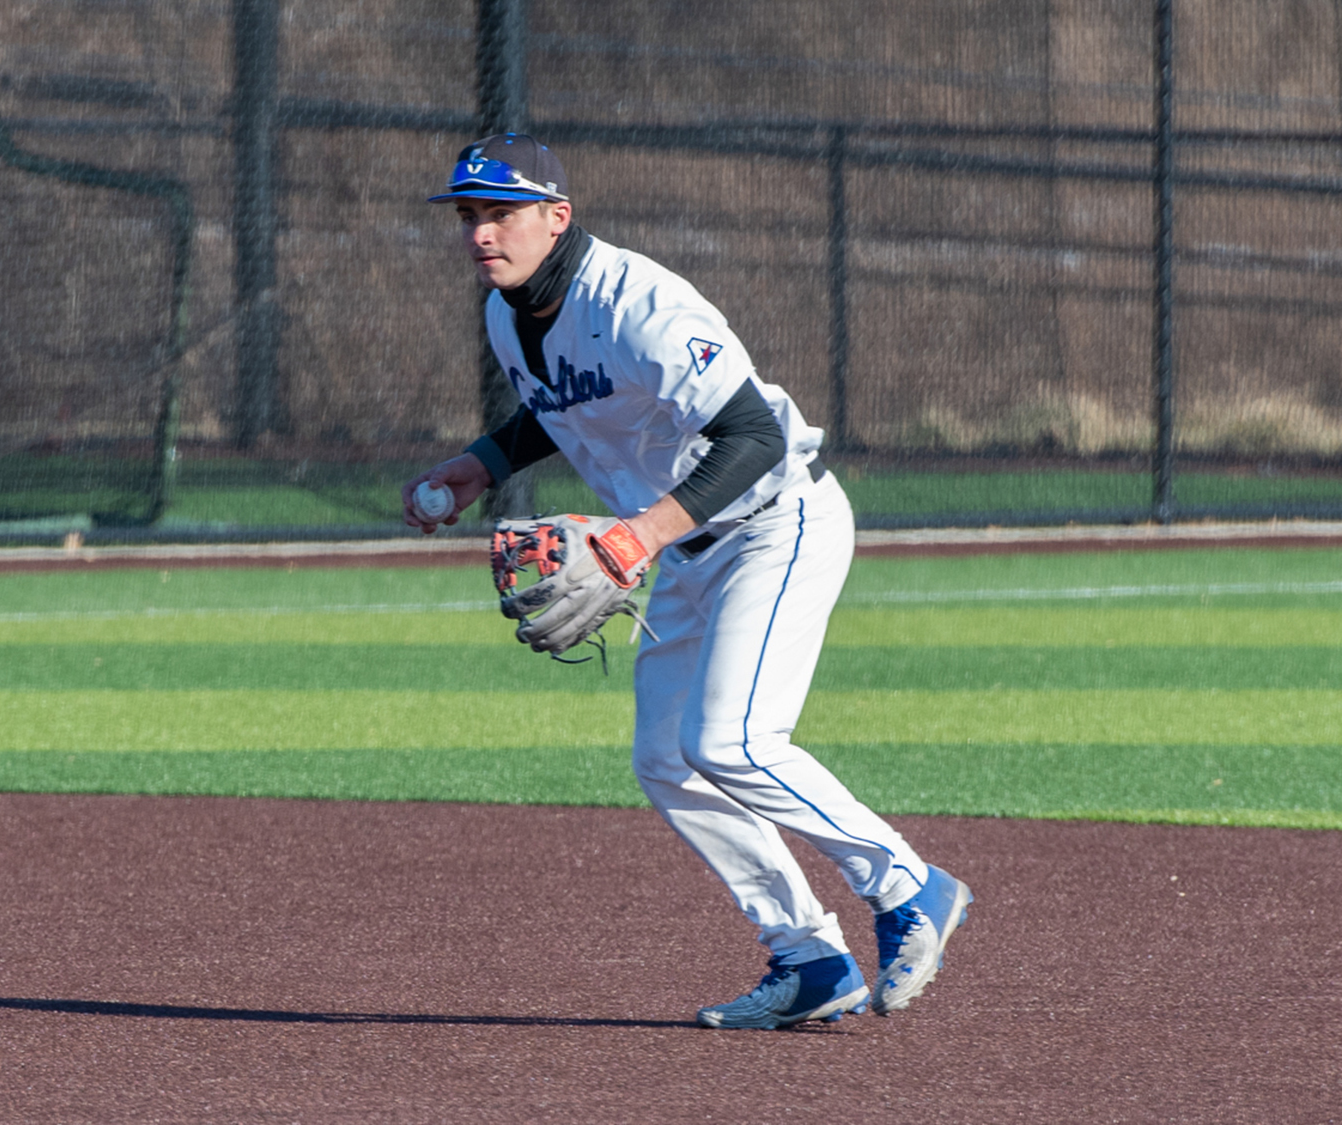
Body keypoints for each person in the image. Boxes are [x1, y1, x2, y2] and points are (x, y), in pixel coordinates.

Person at [401, 134, 973, 1029]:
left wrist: (637, 537)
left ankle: (907, 883)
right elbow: (564, 406)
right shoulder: (508, 314)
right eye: (469, 215)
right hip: (680, 546)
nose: (481, 232)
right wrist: (476, 463)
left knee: (734, 739)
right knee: (667, 759)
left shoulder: (640, 301)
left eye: (501, 212)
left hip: (776, 524)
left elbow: (754, 437)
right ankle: (809, 957)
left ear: (558, 217)